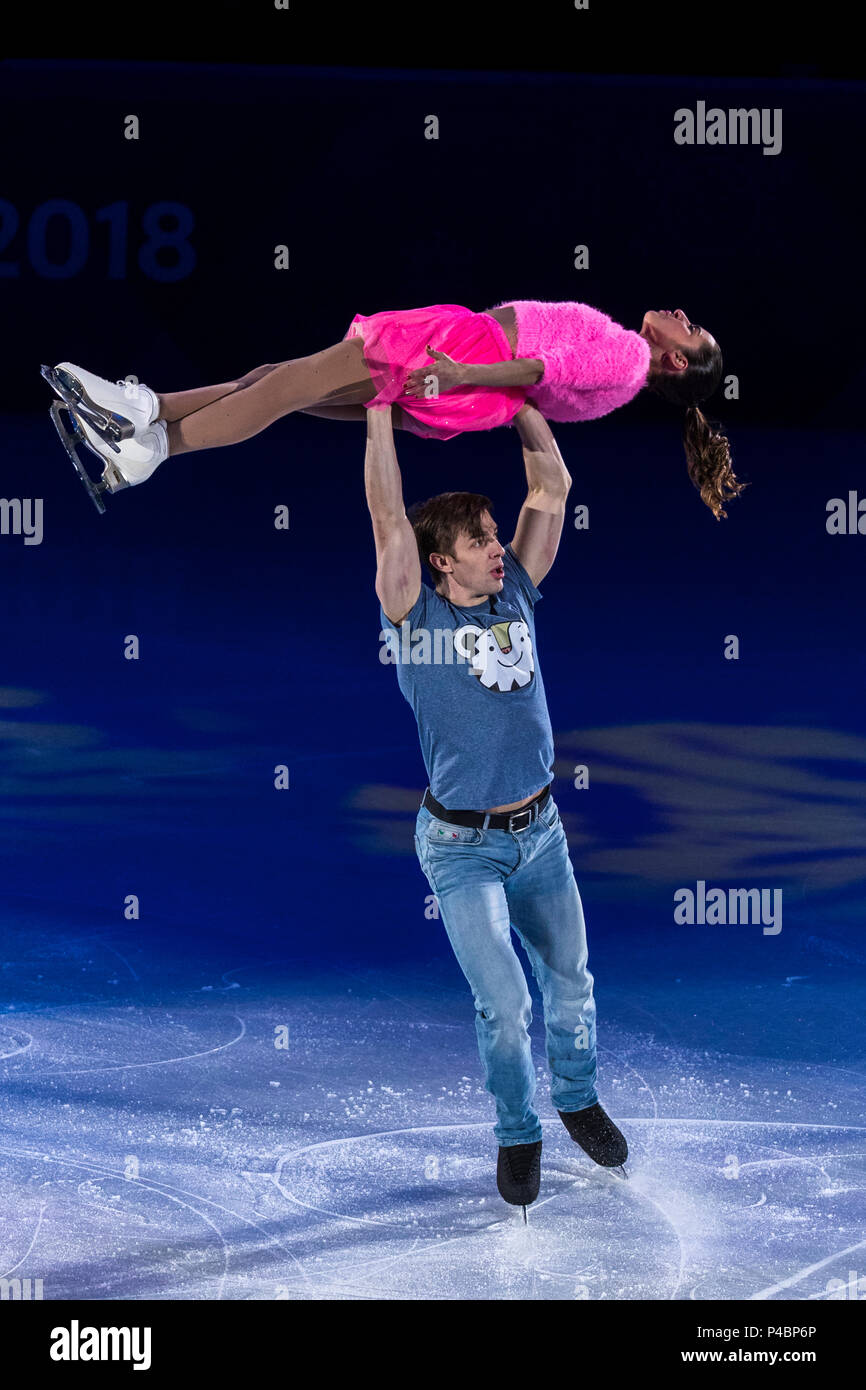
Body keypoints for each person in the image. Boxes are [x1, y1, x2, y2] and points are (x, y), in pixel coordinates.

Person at [367, 397, 627, 1214]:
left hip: (541, 835)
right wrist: (378, 412)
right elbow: (386, 515)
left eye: (492, 535)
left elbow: (552, 487)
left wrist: (517, 403)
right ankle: (519, 1133)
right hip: (461, 849)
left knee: (571, 982)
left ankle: (577, 1098)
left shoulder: (516, 596)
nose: (496, 550)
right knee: (506, 1006)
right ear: (440, 562)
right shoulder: (417, 619)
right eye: (478, 540)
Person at [41, 301, 747, 520]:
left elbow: (540, 369)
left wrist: (459, 369)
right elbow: (536, 391)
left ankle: (148, 443)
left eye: (691, 329)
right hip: (465, 380)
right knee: (277, 379)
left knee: (284, 388)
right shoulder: (625, 374)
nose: (682, 316)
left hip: (458, 353)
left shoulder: (627, 357)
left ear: (677, 361)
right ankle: (144, 417)